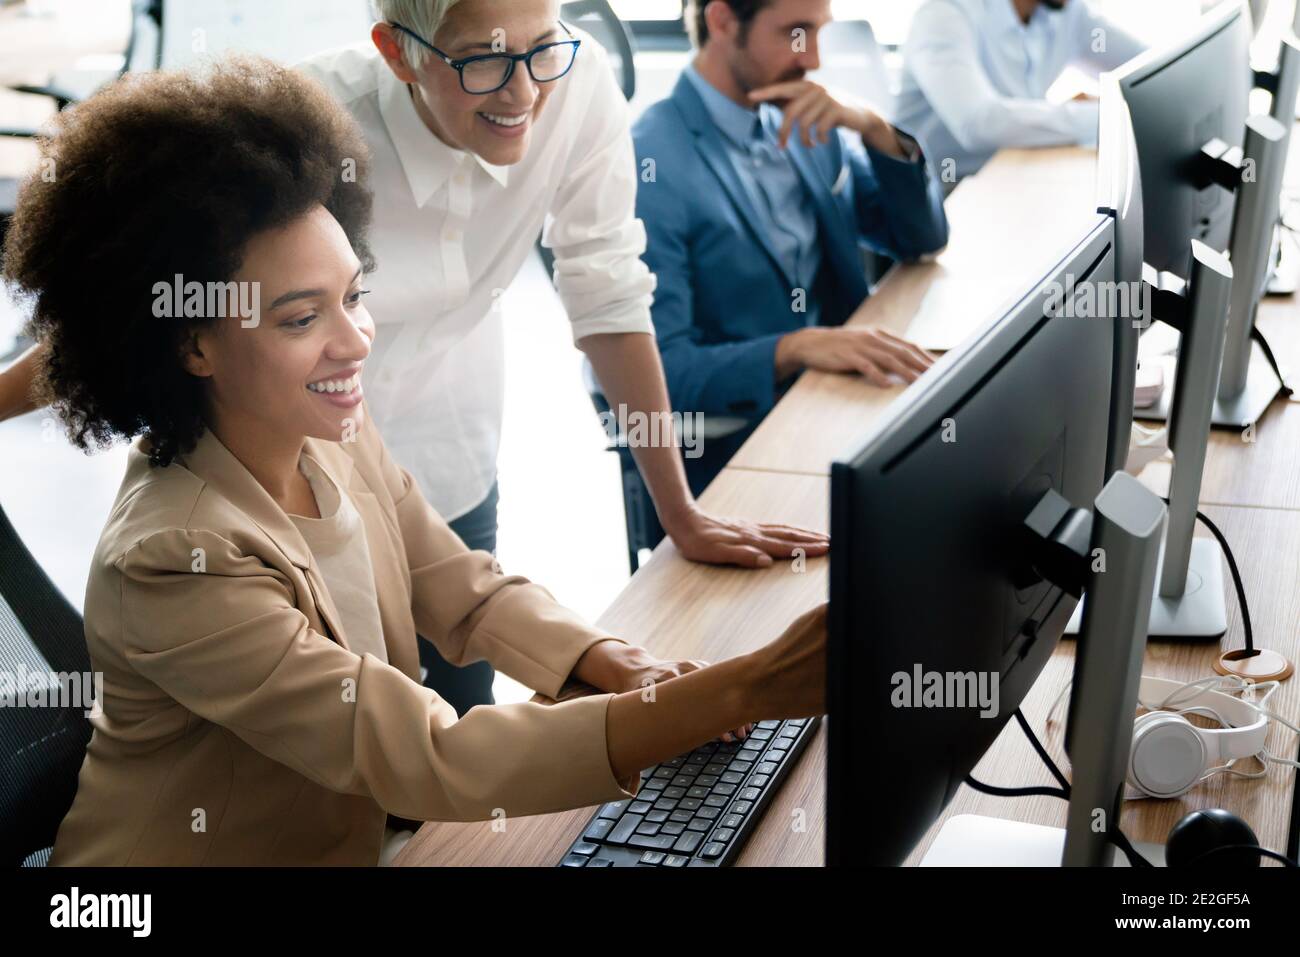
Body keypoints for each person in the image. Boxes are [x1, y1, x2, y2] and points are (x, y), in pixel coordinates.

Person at [0, 58, 826, 866]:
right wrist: (745, 687)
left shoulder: (333, 435)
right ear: (191, 343)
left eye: (354, 296)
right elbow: (434, 756)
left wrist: (603, 660)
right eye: (299, 319)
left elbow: (458, 586)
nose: (357, 339)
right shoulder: (174, 559)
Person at [634, 0, 949, 493]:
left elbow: (919, 238)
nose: (814, 59)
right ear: (722, 21)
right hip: (750, 439)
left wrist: (872, 127)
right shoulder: (650, 164)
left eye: (820, 32)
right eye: (796, 33)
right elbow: (659, 374)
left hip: (846, 399)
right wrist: (796, 348)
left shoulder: (803, 116)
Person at [892, 0, 1146, 183]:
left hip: (1012, 175)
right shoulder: (944, 15)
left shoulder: (1066, 12)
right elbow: (979, 123)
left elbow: (1149, 67)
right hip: (943, 192)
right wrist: (1105, 116)